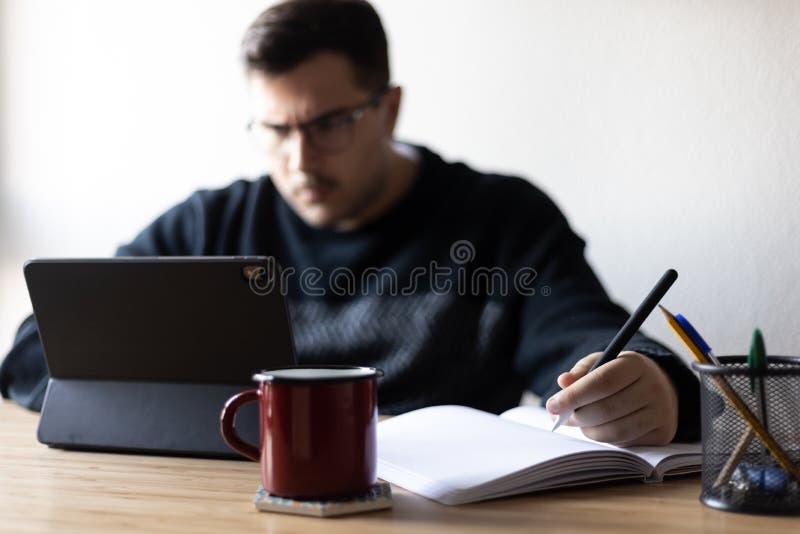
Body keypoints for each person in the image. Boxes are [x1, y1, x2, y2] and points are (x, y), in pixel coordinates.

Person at [0, 0, 699, 445]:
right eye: (274, 129)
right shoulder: (212, 224)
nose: (299, 159)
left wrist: (655, 386)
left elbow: (593, 345)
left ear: (389, 108)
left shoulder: (501, 221)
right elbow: (40, 348)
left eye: (329, 124)